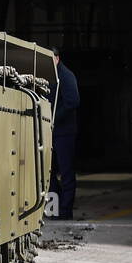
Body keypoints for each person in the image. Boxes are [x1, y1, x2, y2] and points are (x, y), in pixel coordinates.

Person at [49, 47, 80, 220]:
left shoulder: (66, 76)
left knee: (66, 172)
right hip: (51, 132)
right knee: (49, 173)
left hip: (64, 132)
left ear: (57, 58)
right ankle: (54, 210)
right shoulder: (48, 76)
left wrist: (54, 118)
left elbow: (73, 102)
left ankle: (66, 211)